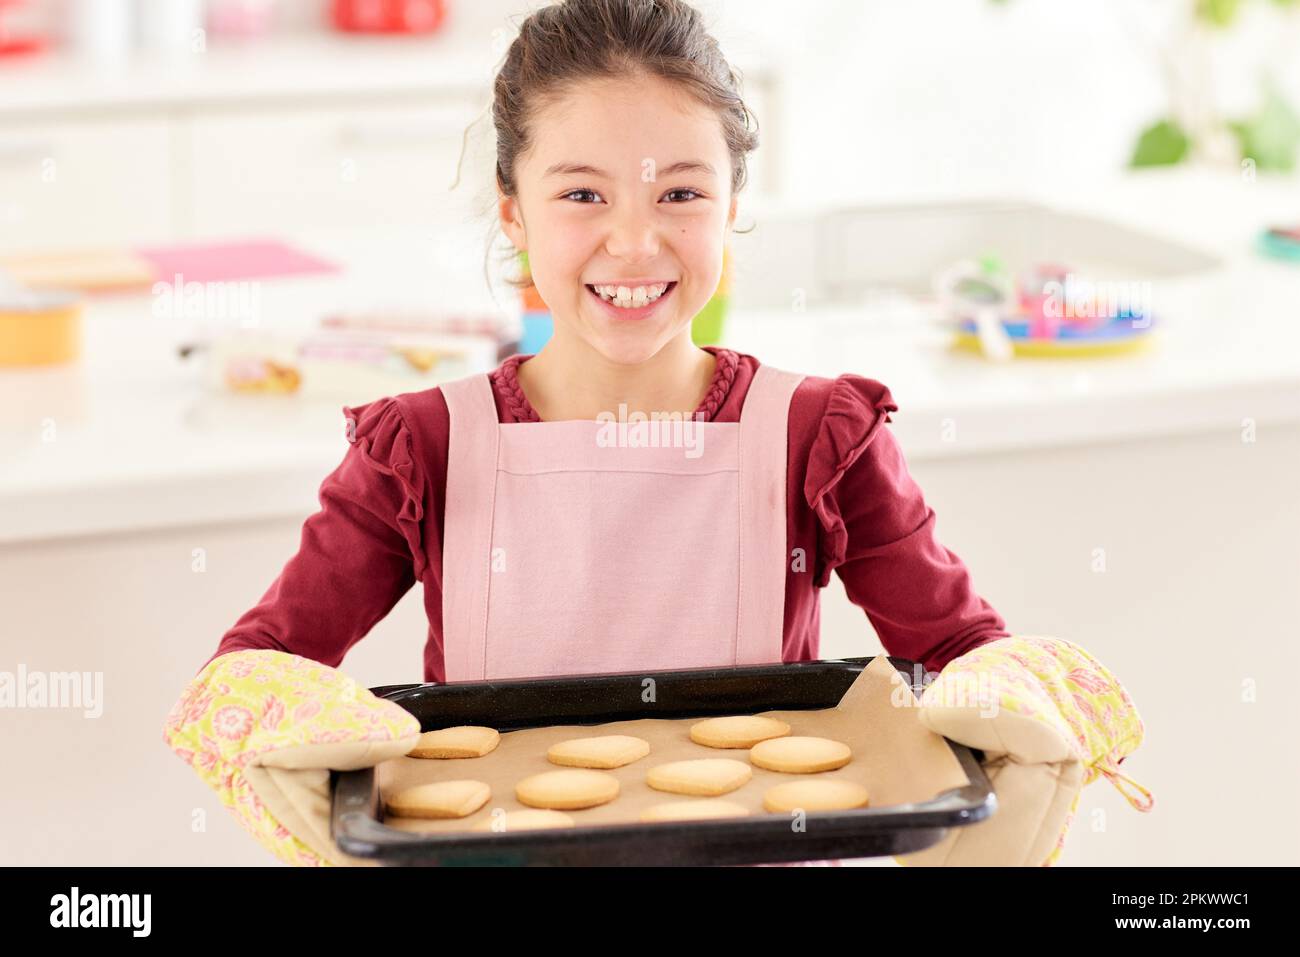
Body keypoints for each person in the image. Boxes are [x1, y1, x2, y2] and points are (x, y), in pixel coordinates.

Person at [163, 0, 1152, 867]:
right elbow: (261, 667)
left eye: (679, 192)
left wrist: (1008, 720)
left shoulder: (816, 436)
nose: (633, 242)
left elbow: (958, 653)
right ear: (511, 210)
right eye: (582, 193)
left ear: (733, 206)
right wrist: (313, 765)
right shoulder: (424, 448)